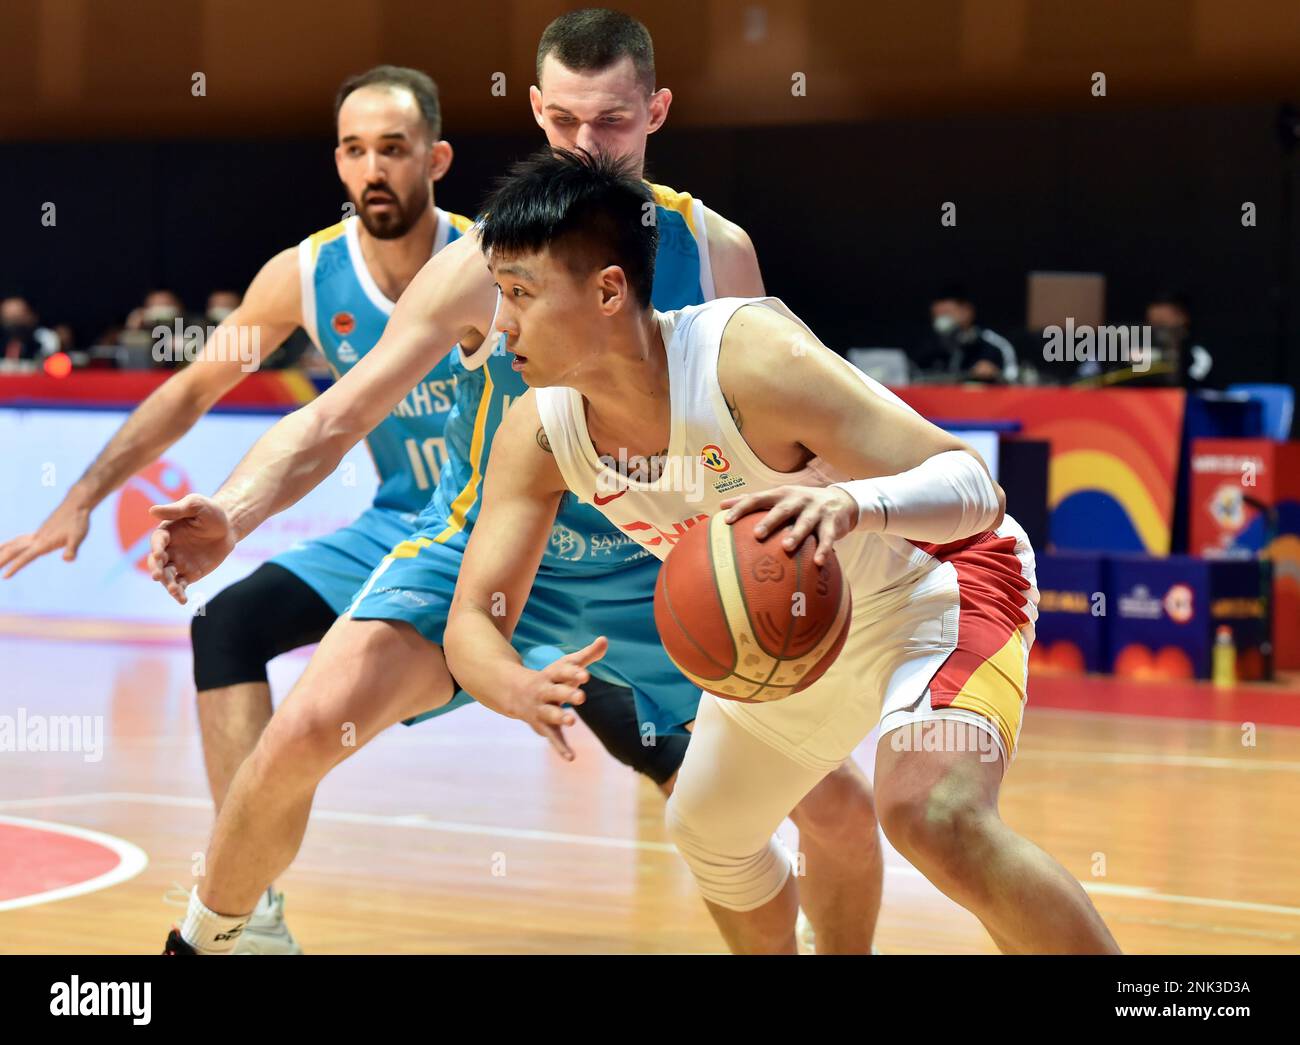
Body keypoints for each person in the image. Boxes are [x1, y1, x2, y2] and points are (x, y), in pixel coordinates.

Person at [146, 9, 881, 956]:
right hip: (489, 552)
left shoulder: (717, 252)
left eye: (611, 123)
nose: (585, 147)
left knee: (837, 810)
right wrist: (235, 509)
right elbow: (338, 415)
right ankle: (212, 941)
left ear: (655, 111)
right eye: (565, 123)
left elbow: (776, 427)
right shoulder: (479, 264)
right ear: (535, 111)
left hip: (668, 565)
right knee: (305, 730)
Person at [442, 147, 1120, 955]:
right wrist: (518, 685)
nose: (500, 322)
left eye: (520, 293)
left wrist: (850, 504)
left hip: (937, 582)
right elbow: (471, 623)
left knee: (929, 815)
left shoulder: (748, 357)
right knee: (708, 829)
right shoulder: (539, 433)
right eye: (499, 293)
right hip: (798, 629)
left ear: (608, 291)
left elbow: (974, 485)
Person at [0, 65, 475, 953]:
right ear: (337, 162)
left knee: (638, 703)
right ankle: (251, 914)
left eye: (395, 149)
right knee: (225, 623)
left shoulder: (491, 261)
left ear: (436, 159)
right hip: (398, 522)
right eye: (355, 149)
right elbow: (191, 390)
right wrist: (81, 498)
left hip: (495, 533)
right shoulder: (307, 274)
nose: (373, 168)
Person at [914, 284, 1018, 383]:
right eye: (936, 315)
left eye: (946, 313)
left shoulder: (993, 345)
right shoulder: (929, 347)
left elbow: (1014, 382)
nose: (940, 320)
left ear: (967, 311)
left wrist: (995, 375)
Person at [1, 296, 59, 362]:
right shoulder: (3, 340)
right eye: (9, 319)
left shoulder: (43, 339)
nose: (13, 325)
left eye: (18, 318)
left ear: (31, 316)